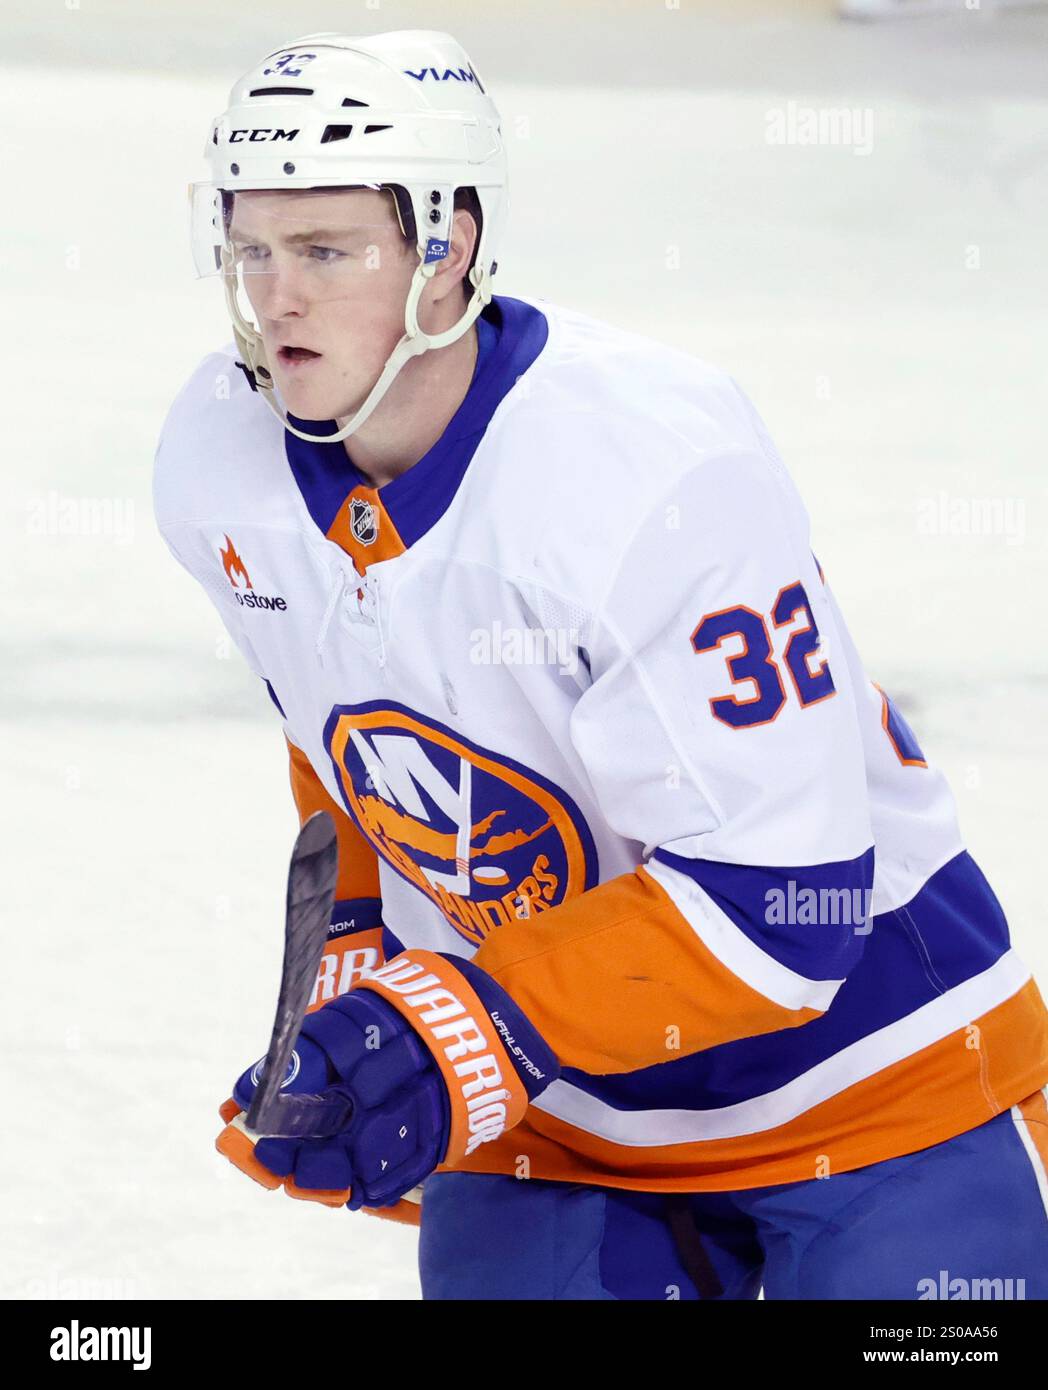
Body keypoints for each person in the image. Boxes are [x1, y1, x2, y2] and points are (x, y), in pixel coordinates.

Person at [154, 29, 1048, 1300]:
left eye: (325, 252)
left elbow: (783, 908)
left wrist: (454, 1029)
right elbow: (343, 719)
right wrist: (361, 936)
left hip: (880, 1086)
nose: (274, 297)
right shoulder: (217, 461)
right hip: (561, 1123)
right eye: (250, 249)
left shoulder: (650, 472)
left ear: (445, 247)